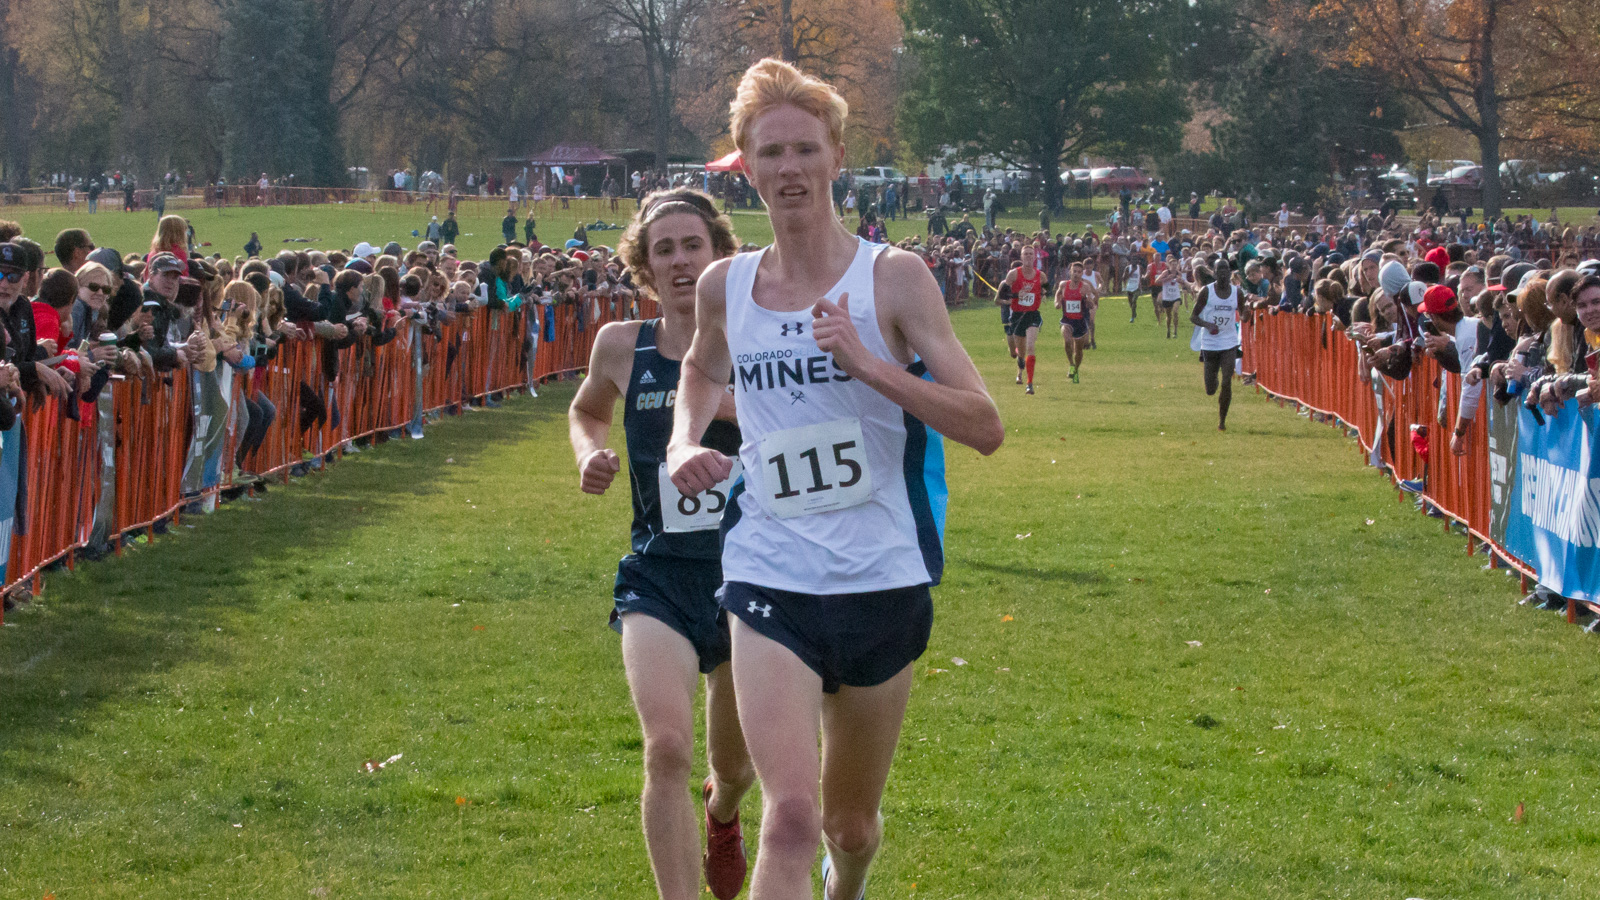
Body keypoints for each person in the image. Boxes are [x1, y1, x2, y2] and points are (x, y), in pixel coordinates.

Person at [666, 58, 1002, 900]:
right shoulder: (726, 285)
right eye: (768, 152)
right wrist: (680, 443)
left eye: (804, 149)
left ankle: (844, 886)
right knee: (787, 816)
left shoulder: (893, 278)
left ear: (837, 158)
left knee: (849, 828)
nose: (788, 169)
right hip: (768, 570)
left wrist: (869, 362)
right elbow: (701, 370)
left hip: (881, 573)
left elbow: (984, 424)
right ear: (745, 166)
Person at [568, 188, 755, 900]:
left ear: (718, 255)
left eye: (692, 247)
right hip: (659, 576)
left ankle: (724, 813)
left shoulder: (759, 340)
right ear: (644, 266)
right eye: (663, 250)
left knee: (735, 768)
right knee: (667, 748)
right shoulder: (622, 346)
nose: (679, 262)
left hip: (751, 575)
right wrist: (590, 452)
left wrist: (721, 406)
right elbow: (587, 409)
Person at [1189, 257, 1244, 430]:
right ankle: (1213, 383)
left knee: (1227, 381)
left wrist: (1247, 314)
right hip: (1210, 343)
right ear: (1214, 273)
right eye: (1219, 270)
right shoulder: (1206, 291)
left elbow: (1243, 315)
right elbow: (1194, 316)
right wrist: (1208, 325)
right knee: (1211, 389)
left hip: (1229, 342)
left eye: (1225, 270)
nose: (1222, 273)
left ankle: (1222, 421)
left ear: (1229, 273)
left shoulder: (1237, 293)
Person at [1001, 245, 1046, 393]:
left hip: (1033, 314)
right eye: (1025, 254)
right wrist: (1015, 295)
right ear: (1021, 257)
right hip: (1017, 316)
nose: (1028, 256)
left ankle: (1030, 383)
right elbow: (1002, 295)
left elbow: (1048, 288)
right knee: (1021, 352)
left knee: (1031, 346)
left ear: (1034, 257)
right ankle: (1020, 362)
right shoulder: (1013, 274)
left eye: (1030, 254)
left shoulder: (1041, 275)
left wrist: (1044, 294)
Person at [1054, 260, 1097, 382]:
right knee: (1067, 340)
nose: (1076, 274)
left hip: (1080, 321)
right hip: (1067, 320)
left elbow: (1091, 304)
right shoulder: (1063, 285)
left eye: (1079, 272)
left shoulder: (1085, 287)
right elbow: (1057, 295)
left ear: (1082, 274)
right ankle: (1071, 364)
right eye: (1074, 271)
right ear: (1070, 272)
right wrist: (1057, 303)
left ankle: (1076, 369)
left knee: (1078, 350)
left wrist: (1087, 300)